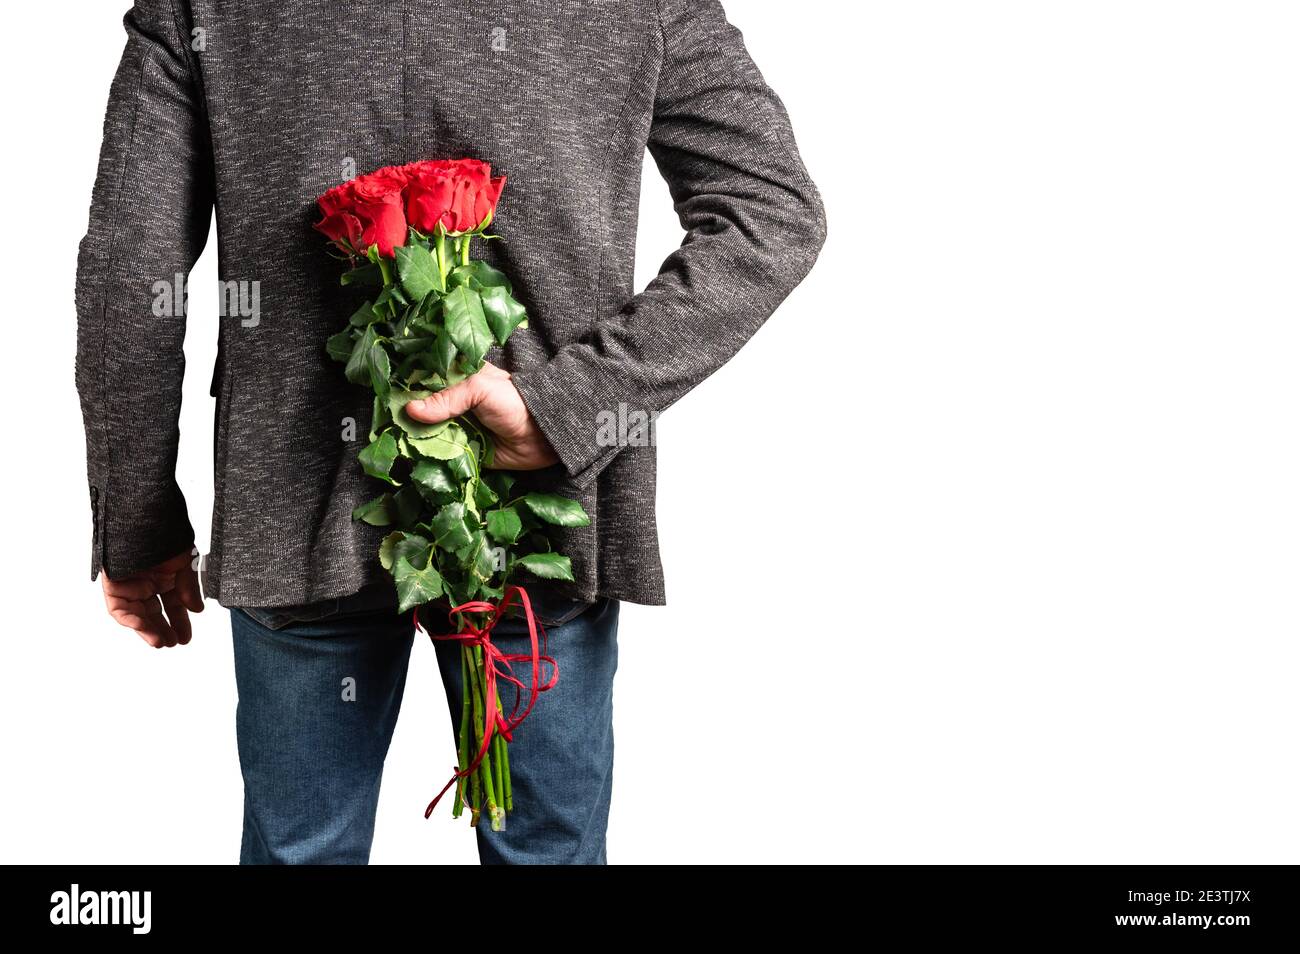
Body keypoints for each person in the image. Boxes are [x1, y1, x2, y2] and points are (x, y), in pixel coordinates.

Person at [76, 0, 825, 865]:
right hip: (539, 509)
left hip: (300, 501)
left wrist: (135, 519)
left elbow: (129, 275)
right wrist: (568, 406)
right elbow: (773, 209)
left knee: (301, 856)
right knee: (548, 853)